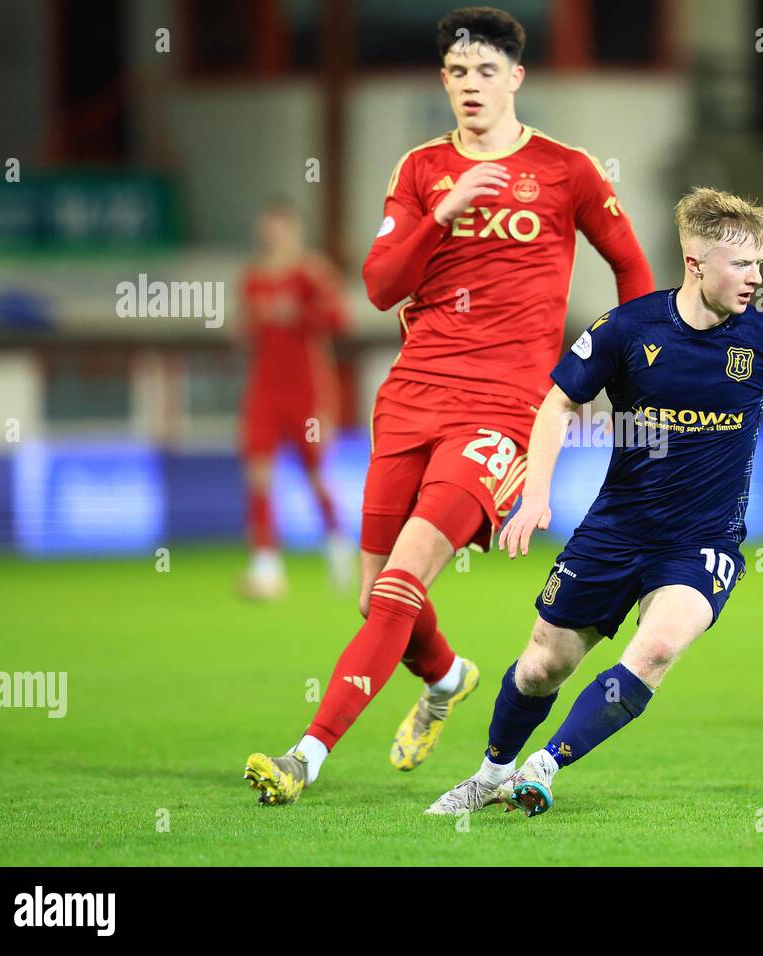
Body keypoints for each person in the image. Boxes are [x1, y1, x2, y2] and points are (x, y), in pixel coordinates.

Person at [244, 6, 653, 804]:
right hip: (409, 399)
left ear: (516, 78)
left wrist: (625, 369)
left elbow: (631, 267)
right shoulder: (421, 170)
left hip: (502, 411)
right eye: (459, 73)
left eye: (487, 71)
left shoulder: (568, 171)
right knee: (378, 598)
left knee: (399, 586)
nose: (472, 85)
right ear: (444, 80)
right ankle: (447, 674)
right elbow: (378, 286)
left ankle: (305, 756)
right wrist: (443, 212)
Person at [427, 186, 763, 818]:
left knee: (659, 647)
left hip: (704, 541)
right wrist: (535, 495)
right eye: (742, 264)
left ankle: (544, 766)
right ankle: (491, 772)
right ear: (696, 264)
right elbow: (559, 403)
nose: (756, 277)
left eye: (759, 262)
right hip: (616, 530)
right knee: (540, 668)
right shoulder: (629, 329)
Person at [238, 200, 350, 600]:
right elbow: (245, 329)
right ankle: (266, 565)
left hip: (306, 390)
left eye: (280, 228)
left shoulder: (311, 273)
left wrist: (301, 314)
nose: (272, 236)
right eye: (267, 228)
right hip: (264, 391)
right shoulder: (252, 278)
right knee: (258, 475)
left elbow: (340, 319)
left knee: (316, 472)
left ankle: (337, 546)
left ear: (294, 230)